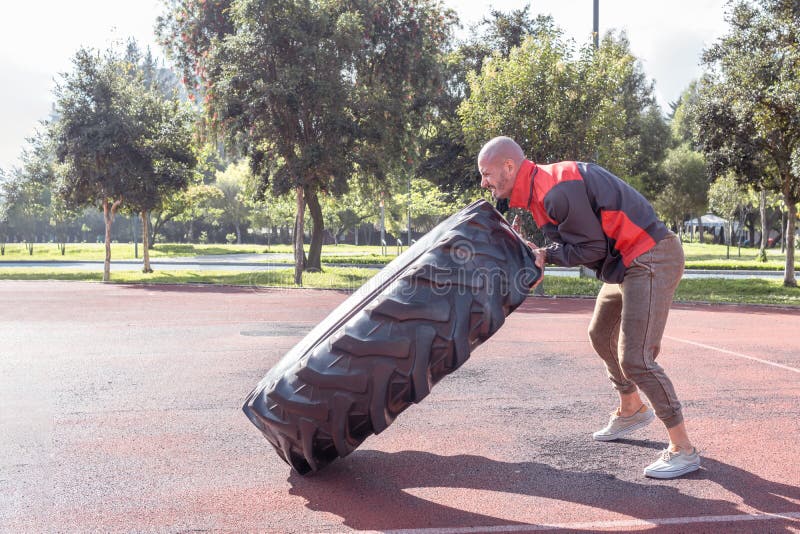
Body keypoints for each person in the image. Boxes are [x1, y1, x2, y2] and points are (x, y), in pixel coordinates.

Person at [477, 136, 700, 479]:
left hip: (649, 256)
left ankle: (683, 449)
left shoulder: (554, 191)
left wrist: (546, 255)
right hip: (625, 262)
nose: (484, 182)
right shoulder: (541, 190)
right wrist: (540, 253)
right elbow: (581, 241)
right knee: (599, 334)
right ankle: (631, 408)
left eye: (487, 173)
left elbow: (591, 249)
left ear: (510, 166)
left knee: (636, 358)